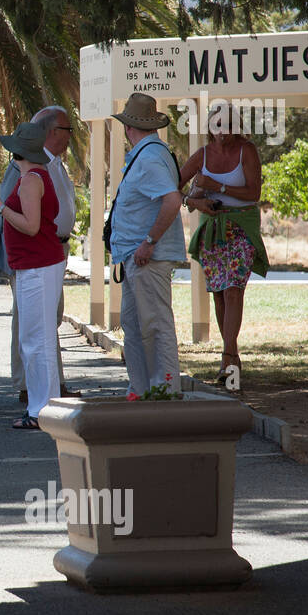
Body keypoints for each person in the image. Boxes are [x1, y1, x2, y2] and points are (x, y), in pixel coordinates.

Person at [0, 106, 80, 402]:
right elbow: (19, 218)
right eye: (67, 131)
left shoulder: (43, 170)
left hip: (44, 255)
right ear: (51, 133)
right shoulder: (26, 171)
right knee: (34, 328)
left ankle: (46, 392)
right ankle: (32, 386)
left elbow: (22, 217)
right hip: (34, 257)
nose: (69, 138)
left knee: (42, 328)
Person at [178, 99, 268, 383]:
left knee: (233, 290)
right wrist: (192, 201)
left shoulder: (247, 151)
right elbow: (172, 186)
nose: (222, 132)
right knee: (218, 293)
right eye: (217, 126)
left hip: (240, 225)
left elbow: (253, 194)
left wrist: (217, 186)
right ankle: (232, 356)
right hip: (212, 229)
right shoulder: (202, 155)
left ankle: (228, 358)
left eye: (228, 125)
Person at [108, 92, 185, 396]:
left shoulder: (150, 156)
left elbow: (171, 200)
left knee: (154, 325)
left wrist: (149, 241)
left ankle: (164, 390)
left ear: (128, 127)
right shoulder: (149, 153)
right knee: (136, 325)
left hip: (146, 257)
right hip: (135, 256)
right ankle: (140, 389)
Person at [0, 123, 68, 429]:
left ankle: (41, 410)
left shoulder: (30, 180)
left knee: (35, 341)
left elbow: (30, 225)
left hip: (37, 266)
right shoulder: (40, 174)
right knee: (38, 339)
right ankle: (45, 405)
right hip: (37, 264)